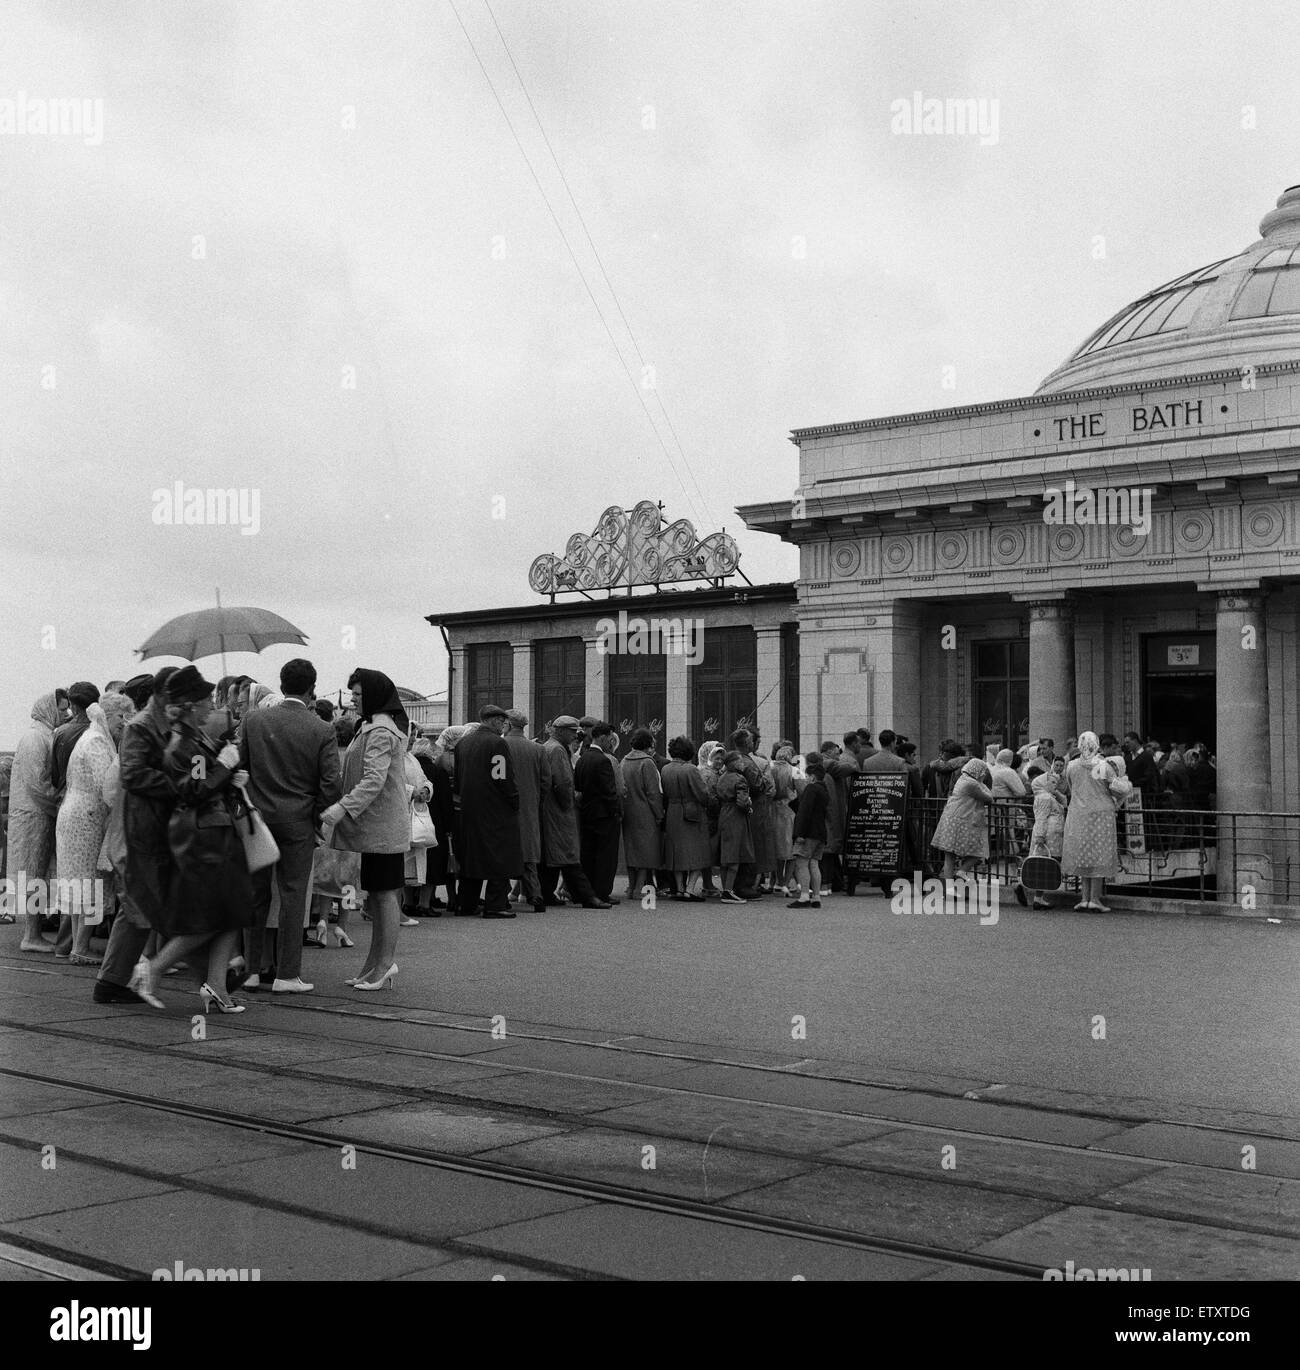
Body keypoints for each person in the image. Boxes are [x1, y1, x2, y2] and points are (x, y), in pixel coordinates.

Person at [130, 667, 253, 1013]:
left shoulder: (192, 740)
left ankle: (216, 986)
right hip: (205, 837)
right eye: (204, 701)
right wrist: (225, 766)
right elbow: (194, 789)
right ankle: (152, 969)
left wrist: (228, 772)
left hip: (210, 832)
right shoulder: (186, 743)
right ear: (190, 706)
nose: (210, 707)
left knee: (233, 910)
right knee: (213, 916)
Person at [238, 658, 341, 992]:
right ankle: (286, 974)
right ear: (312, 689)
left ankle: (252, 970)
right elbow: (330, 785)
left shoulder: (253, 720)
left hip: (257, 819)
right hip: (298, 820)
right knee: (293, 896)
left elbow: (240, 769)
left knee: (255, 895)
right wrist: (317, 820)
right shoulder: (322, 729)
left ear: (281, 685)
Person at [317, 669, 412, 990]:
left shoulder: (380, 731)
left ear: (372, 694)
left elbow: (373, 779)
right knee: (379, 896)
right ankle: (373, 965)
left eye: (357, 695)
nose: (353, 701)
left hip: (382, 829)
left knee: (384, 897)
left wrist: (341, 808)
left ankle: (384, 964)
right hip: (377, 829)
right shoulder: (374, 727)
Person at [93, 670, 178, 1004]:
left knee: (137, 910)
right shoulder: (143, 728)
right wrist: (178, 781)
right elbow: (133, 776)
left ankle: (111, 981)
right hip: (137, 832)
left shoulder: (149, 727)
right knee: (144, 908)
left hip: (138, 831)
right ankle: (216, 972)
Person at [54, 694, 133, 964]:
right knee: (91, 881)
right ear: (107, 715)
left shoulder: (90, 736)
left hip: (76, 814)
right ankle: (81, 947)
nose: (124, 723)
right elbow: (107, 785)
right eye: (120, 717)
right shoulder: (98, 741)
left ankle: (78, 944)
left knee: (79, 882)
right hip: (87, 817)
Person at [10, 692, 66, 951]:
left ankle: (33, 932)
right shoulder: (36, 737)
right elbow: (37, 784)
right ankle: (30, 935)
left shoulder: (43, 734)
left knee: (37, 875)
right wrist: (58, 802)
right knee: (33, 875)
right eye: (62, 710)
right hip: (34, 816)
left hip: (36, 814)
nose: (65, 714)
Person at [454, 705, 521, 918]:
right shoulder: (497, 743)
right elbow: (501, 777)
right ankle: (495, 904)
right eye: (502, 722)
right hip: (495, 810)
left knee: (471, 857)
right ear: (493, 721)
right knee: (498, 857)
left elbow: (457, 780)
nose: (503, 726)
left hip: (468, 810)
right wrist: (514, 800)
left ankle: (466, 904)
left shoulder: (463, 743)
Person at [538, 716, 611, 909]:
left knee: (551, 856)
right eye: (572, 731)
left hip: (548, 809)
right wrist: (570, 801)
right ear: (560, 730)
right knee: (569, 854)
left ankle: (547, 893)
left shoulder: (547, 746)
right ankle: (587, 897)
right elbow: (562, 783)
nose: (575, 736)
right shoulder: (558, 750)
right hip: (559, 810)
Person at [1060, 731, 1132, 912]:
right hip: (1100, 814)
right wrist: (1126, 783)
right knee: (1100, 854)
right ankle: (1095, 899)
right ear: (1097, 745)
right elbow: (1118, 788)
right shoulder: (1103, 765)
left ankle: (1084, 898)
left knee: (1084, 856)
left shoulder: (1072, 766)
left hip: (1077, 813)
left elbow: (1070, 787)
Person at [501, 709, 547, 912]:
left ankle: (501, 897)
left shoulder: (500, 746)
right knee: (529, 859)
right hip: (530, 810)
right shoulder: (537, 749)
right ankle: (535, 896)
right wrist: (536, 801)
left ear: (508, 725)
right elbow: (546, 781)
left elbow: (497, 778)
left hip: (505, 810)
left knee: (503, 856)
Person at [575, 722, 622, 904]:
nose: (611, 743)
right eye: (610, 738)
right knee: (606, 856)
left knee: (588, 855)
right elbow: (609, 791)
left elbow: (578, 787)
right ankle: (602, 892)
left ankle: (588, 891)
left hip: (587, 813)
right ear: (602, 737)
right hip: (604, 816)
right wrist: (615, 812)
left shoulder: (583, 758)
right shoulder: (603, 760)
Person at [660, 735, 710, 901]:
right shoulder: (690, 769)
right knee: (698, 852)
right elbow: (702, 794)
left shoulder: (665, 769)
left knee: (676, 852)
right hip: (691, 812)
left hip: (672, 812)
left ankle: (680, 889)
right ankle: (690, 888)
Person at [930, 758, 994, 882]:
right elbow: (989, 797)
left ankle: (949, 891)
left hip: (950, 820)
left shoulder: (962, 779)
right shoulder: (973, 784)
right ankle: (961, 872)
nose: (984, 774)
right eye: (983, 772)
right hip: (962, 822)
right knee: (977, 853)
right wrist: (982, 783)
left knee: (949, 858)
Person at [620, 728, 664, 899]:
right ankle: (640, 887)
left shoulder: (624, 760)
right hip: (645, 813)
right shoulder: (647, 762)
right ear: (649, 744)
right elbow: (653, 792)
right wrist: (659, 814)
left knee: (631, 850)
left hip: (628, 811)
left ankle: (631, 887)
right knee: (647, 850)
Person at [1019, 770, 1066, 909]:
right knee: (1044, 865)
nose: (1054, 785)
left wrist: (1056, 792)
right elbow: (1041, 818)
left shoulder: (1048, 796)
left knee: (1043, 865)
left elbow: (1064, 802)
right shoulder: (1045, 798)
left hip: (1051, 835)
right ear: (1043, 783)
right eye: (1051, 782)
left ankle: (1037, 897)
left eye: (1056, 782)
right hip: (1048, 836)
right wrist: (1040, 836)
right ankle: (1028, 890)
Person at [788, 754, 829, 908]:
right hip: (820, 832)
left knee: (801, 863)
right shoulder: (824, 790)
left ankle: (804, 896)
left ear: (812, 777)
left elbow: (804, 812)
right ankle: (816, 897)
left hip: (808, 832)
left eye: (806, 775)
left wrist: (799, 834)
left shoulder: (811, 788)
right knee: (814, 864)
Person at [715, 751, 754, 903]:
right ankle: (728, 891)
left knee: (726, 854)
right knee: (734, 854)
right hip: (736, 817)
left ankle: (725, 889)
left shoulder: (722, 777)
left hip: (724, 814)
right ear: (734, 763)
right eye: (740, 761)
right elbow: (742, 802)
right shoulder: (740, 779)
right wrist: (749, 805)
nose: (742, 763)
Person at [51, 682, 100, 795]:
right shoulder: (102, 730)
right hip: (95, 799)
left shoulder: (62, 732)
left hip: (66, 797)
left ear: (72, 706)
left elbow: (55, 776)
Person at [769, 742, 800, 894]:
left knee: (776, 849)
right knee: (791, 850)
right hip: (789, 810)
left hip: (773, 810)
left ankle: (777, 882)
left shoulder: (770, 768)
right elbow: (802, 790)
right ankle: (786, 883)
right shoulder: (794, 771)